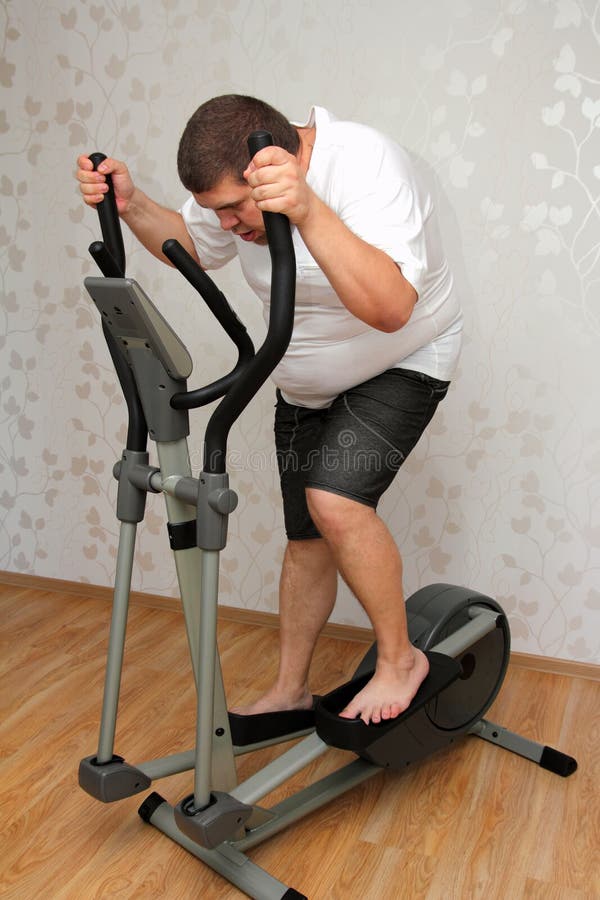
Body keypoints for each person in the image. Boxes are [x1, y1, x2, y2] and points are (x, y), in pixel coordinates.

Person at [76, 94, 462, 726]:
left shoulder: (366, 164)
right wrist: (133, 203)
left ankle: (400, 661)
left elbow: (392, 309)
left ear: (280, 160)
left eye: (235, 207)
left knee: (335, 502)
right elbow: (191, 248)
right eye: (216, 211)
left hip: (401, 358)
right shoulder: (237, 206)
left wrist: (305, 208)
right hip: (303, 380)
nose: (228, 224)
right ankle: (290, 688)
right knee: (306, 538)